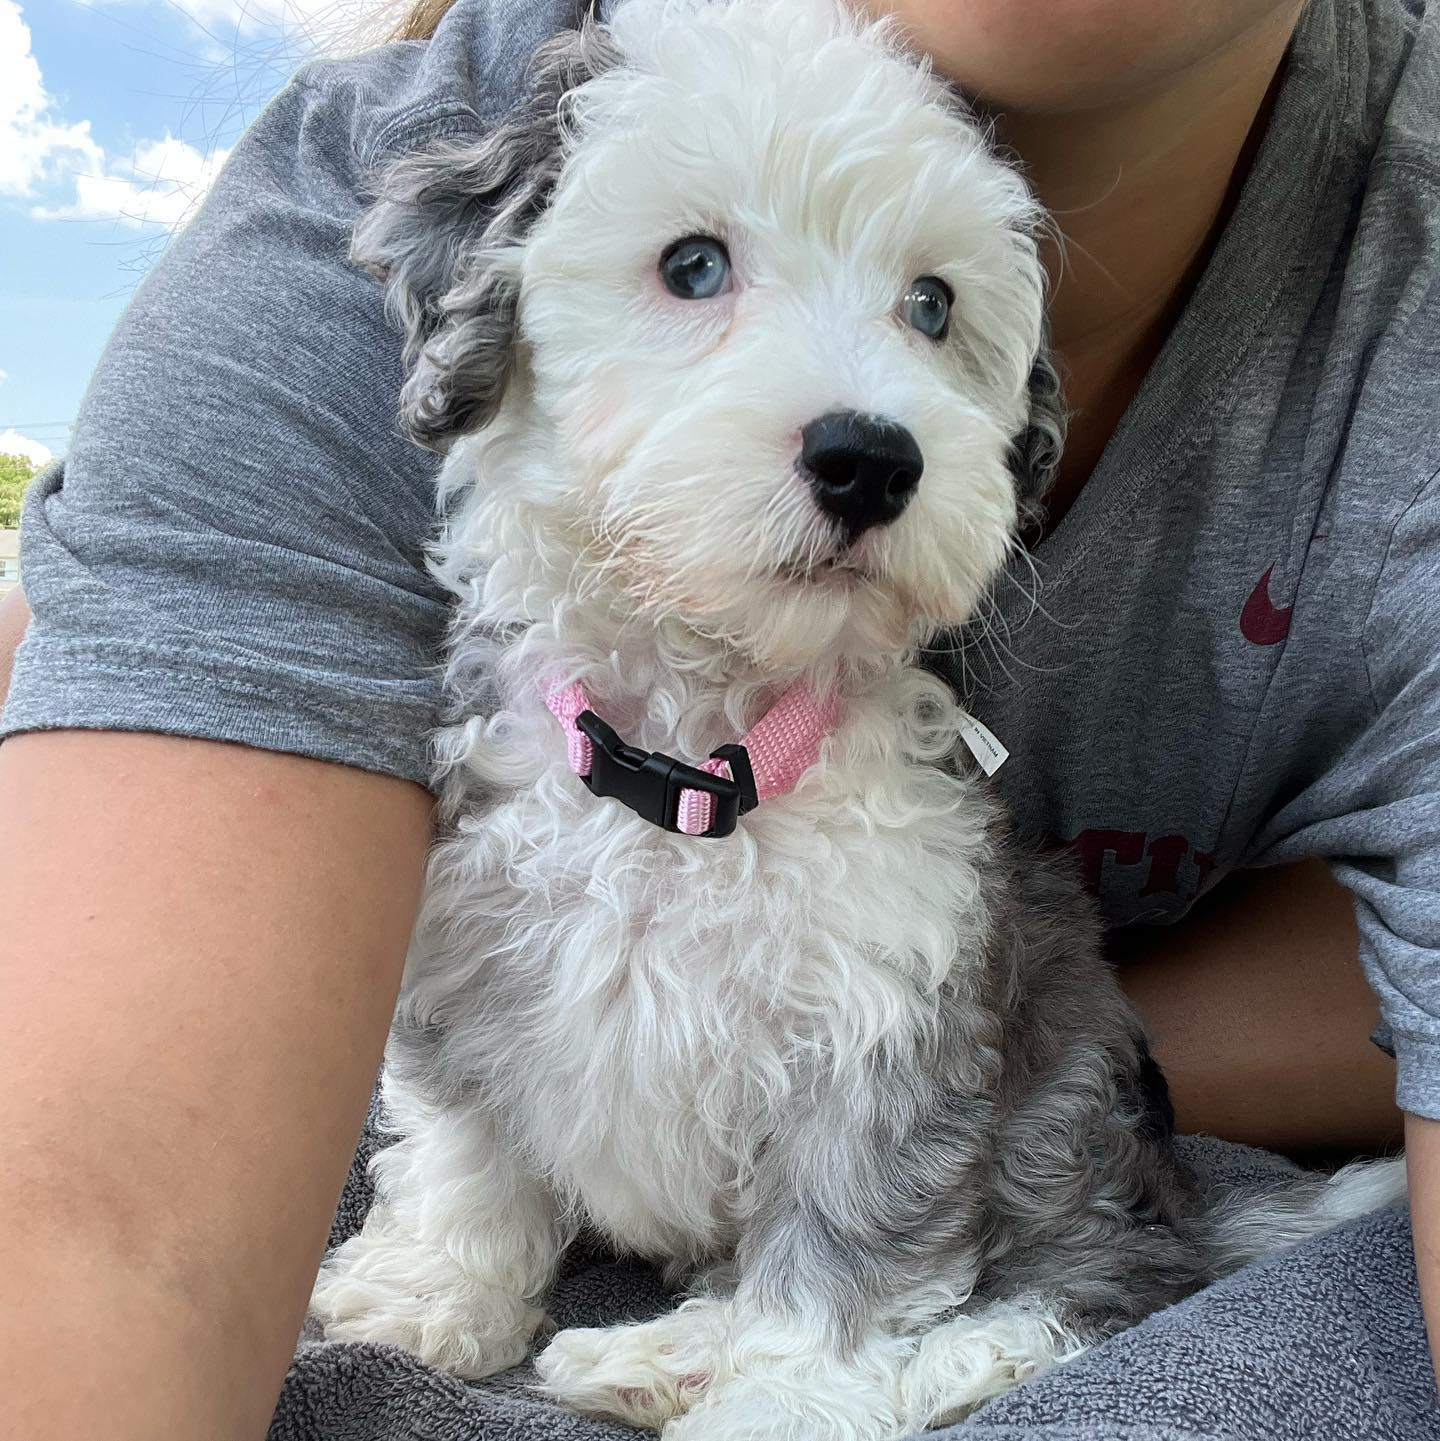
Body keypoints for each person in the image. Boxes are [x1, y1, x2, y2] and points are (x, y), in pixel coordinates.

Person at [0, 0, 1435, 1435]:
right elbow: (128, 1210)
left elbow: (902, 1113)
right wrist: (461, 1245)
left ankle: (857, 1335)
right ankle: (473, 1251)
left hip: (987, 1228)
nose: (861, 407)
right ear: (493, 303)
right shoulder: (370, 226)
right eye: (696, 270)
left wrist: (812, 1356)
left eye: (931, 311)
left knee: (922, 1104)